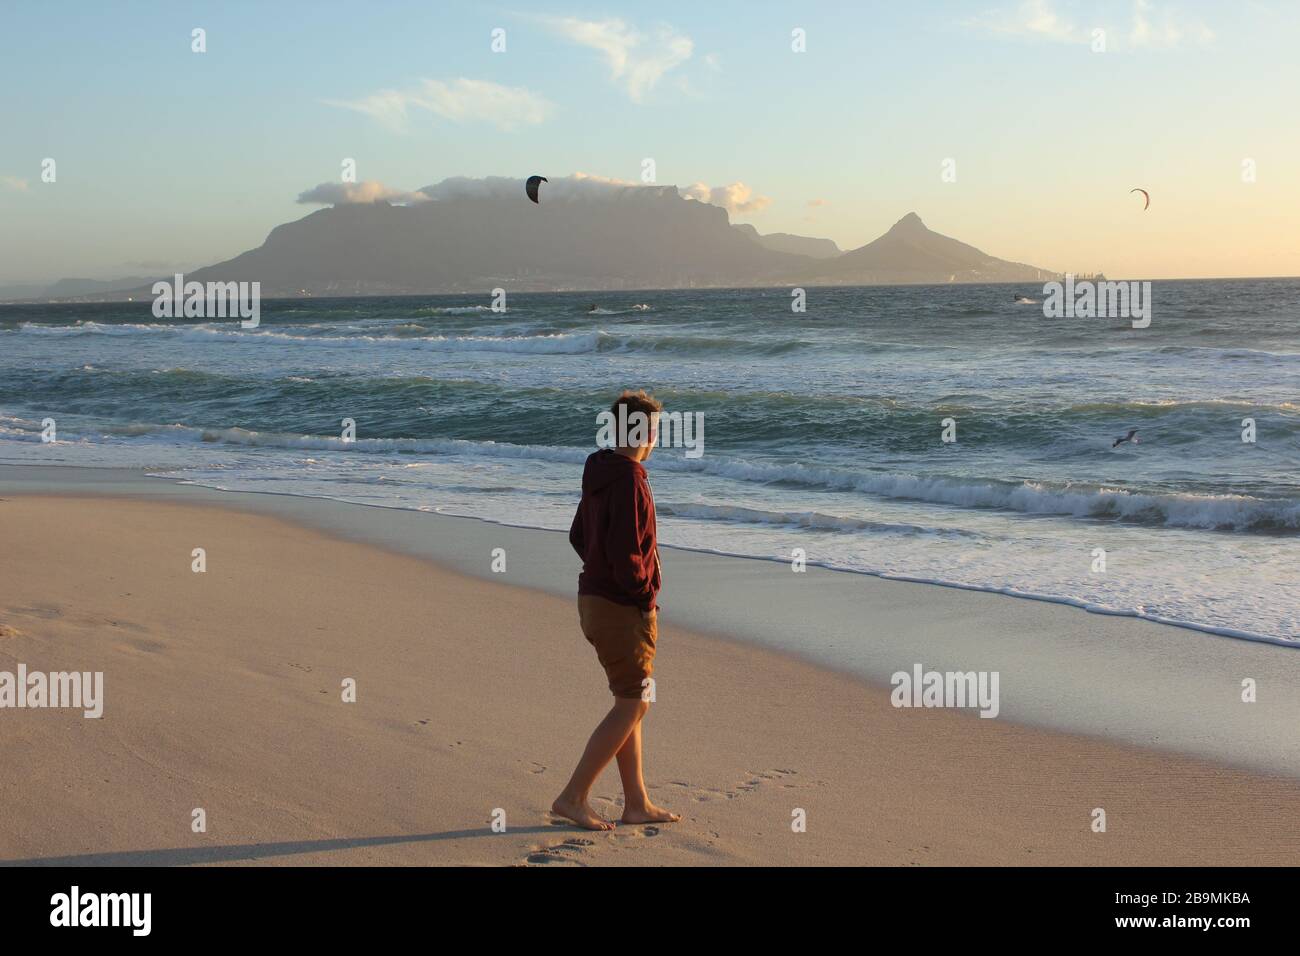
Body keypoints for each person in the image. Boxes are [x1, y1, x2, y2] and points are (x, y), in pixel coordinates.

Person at [552, 390, 681, 831]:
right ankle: (572, 797)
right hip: (620, 606)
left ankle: (636, 802)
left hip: (594, 600)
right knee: (632, 702)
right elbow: (627, 551)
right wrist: (642, 594)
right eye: (657, 431)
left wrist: (603, 573)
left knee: (632, 700)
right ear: (644, 432)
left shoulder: (600, 471)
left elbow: (578, 535)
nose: (657, 439)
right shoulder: (629, 478)